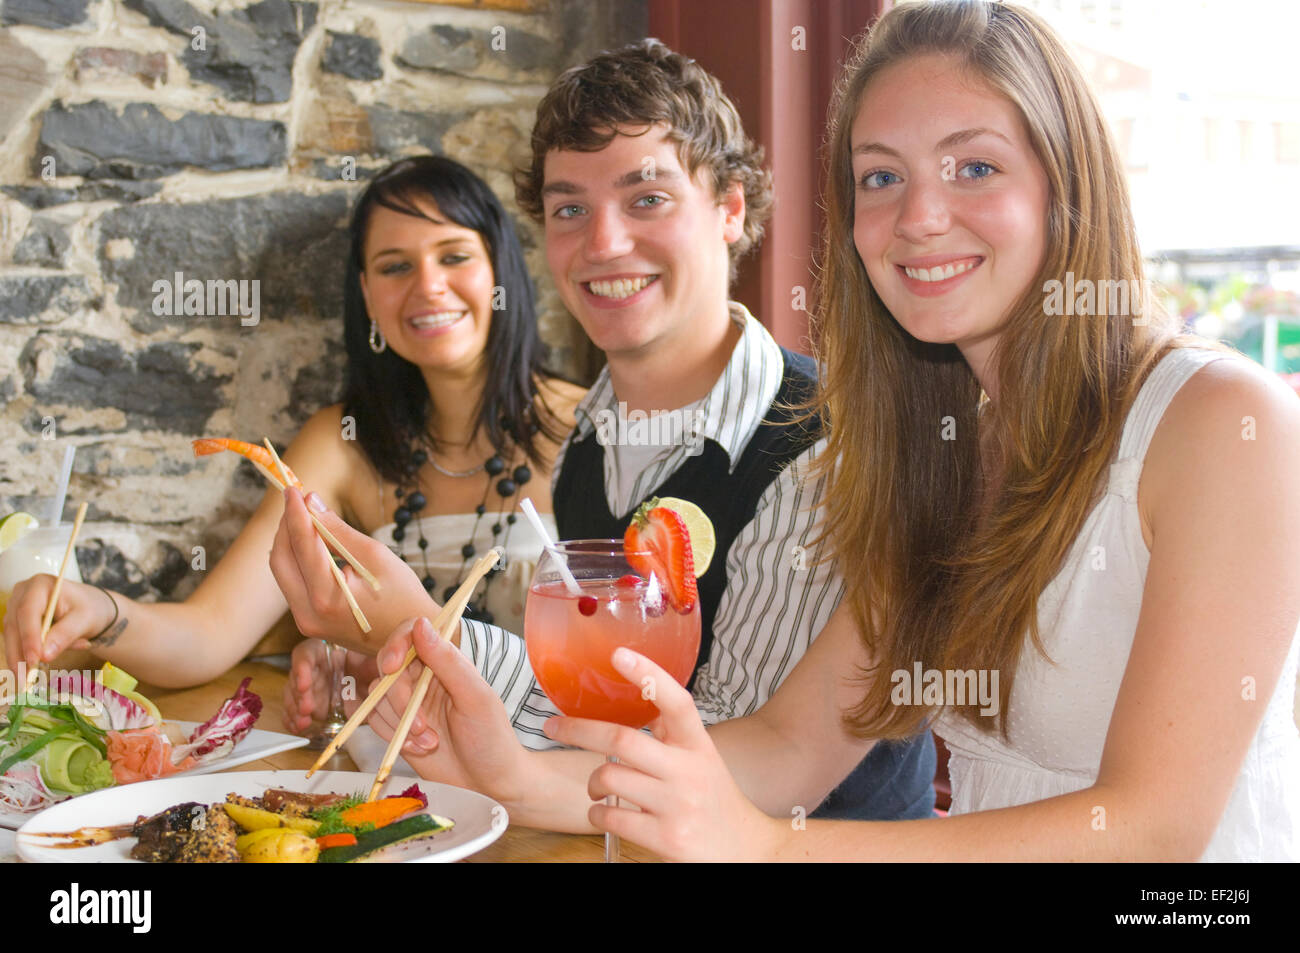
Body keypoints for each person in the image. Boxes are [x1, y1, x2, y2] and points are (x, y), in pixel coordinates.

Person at [342, 0, 1300, 860]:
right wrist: (506, 772)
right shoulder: (937, 455)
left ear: (1067, 181)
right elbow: (788, 743)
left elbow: (1155, 827)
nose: (919, 217)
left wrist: (764, 846)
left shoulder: (1222, 422)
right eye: (880, 177)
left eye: (974, 165)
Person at [275, 39, 936, 820]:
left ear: (729, 208)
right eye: (569, 209)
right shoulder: (589, 431)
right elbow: (595, 701)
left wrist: (424, 631)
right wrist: (396, 658)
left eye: (646, 198)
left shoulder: (826, 443)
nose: (603, 243)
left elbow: (731, 755)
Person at [3, 155, 581, 688]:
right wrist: (103, 611)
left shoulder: (590, 425)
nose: (427, 285)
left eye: (454, 256)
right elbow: (208, 634)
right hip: (408, 771)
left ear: (500, 271)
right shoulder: (342, 441)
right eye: (395, 266)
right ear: (367, 295)